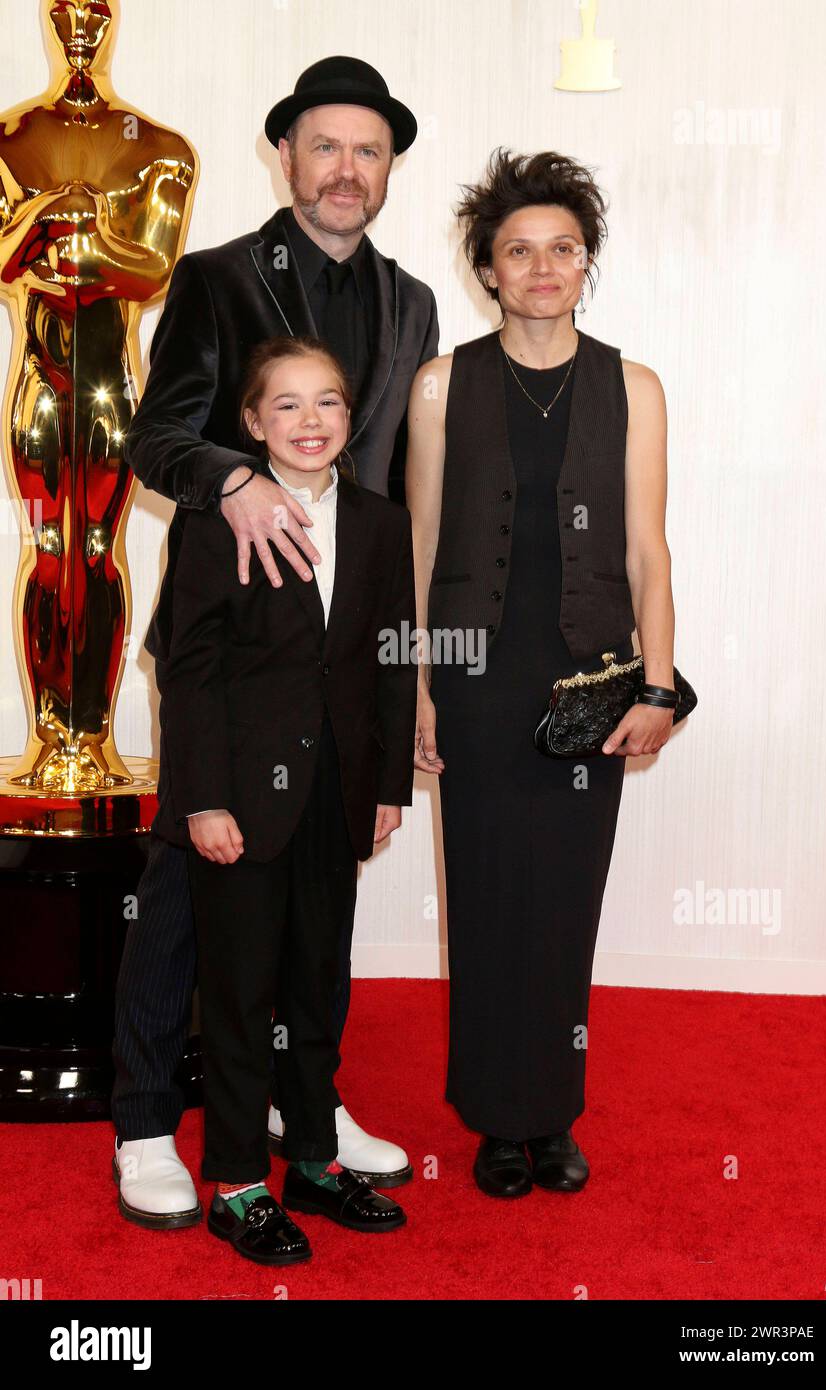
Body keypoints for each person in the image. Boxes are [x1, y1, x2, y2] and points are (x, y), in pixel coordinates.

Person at [112, 56, 438, 1229]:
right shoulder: (216, 278)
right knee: (185, 887)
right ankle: (149, 1116)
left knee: (309, 922)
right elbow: (156, 439)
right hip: (235, 643)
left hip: (340, 653)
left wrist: (410, 688)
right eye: (325, 146)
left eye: (369, 150)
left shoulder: (412, 304)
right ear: (286, 155)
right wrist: (235, 479)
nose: (346, 169)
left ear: (388, 167)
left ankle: (311, 1118)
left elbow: (398, 482)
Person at [406, 148, 680, 1197]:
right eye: (518, 250)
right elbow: (426, 548)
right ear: (487, 269)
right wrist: (420, 687)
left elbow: (650, 550)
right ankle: (490, 1118)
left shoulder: (634, 387)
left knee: (565, 900)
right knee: (482, 895)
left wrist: (658, 686)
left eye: (563, 248)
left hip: (591, 684)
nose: (542, 266)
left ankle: (552, 1116)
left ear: (587, 263)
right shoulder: (443, 385)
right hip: (475, 676)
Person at [150, 335, 416, 1263]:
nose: (311, 422)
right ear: (253, 423)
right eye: (288, 406)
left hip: (335, 794)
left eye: (329, 403)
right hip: (241, 802)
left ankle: (311, 1156)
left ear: (352, 418)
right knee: (238, 994)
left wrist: (387, 787)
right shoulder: (212, 519)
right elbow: (190, 675)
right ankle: (233, 1182)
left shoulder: (384, 525)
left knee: (317, 987)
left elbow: (390, 658)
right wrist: (203, 799)